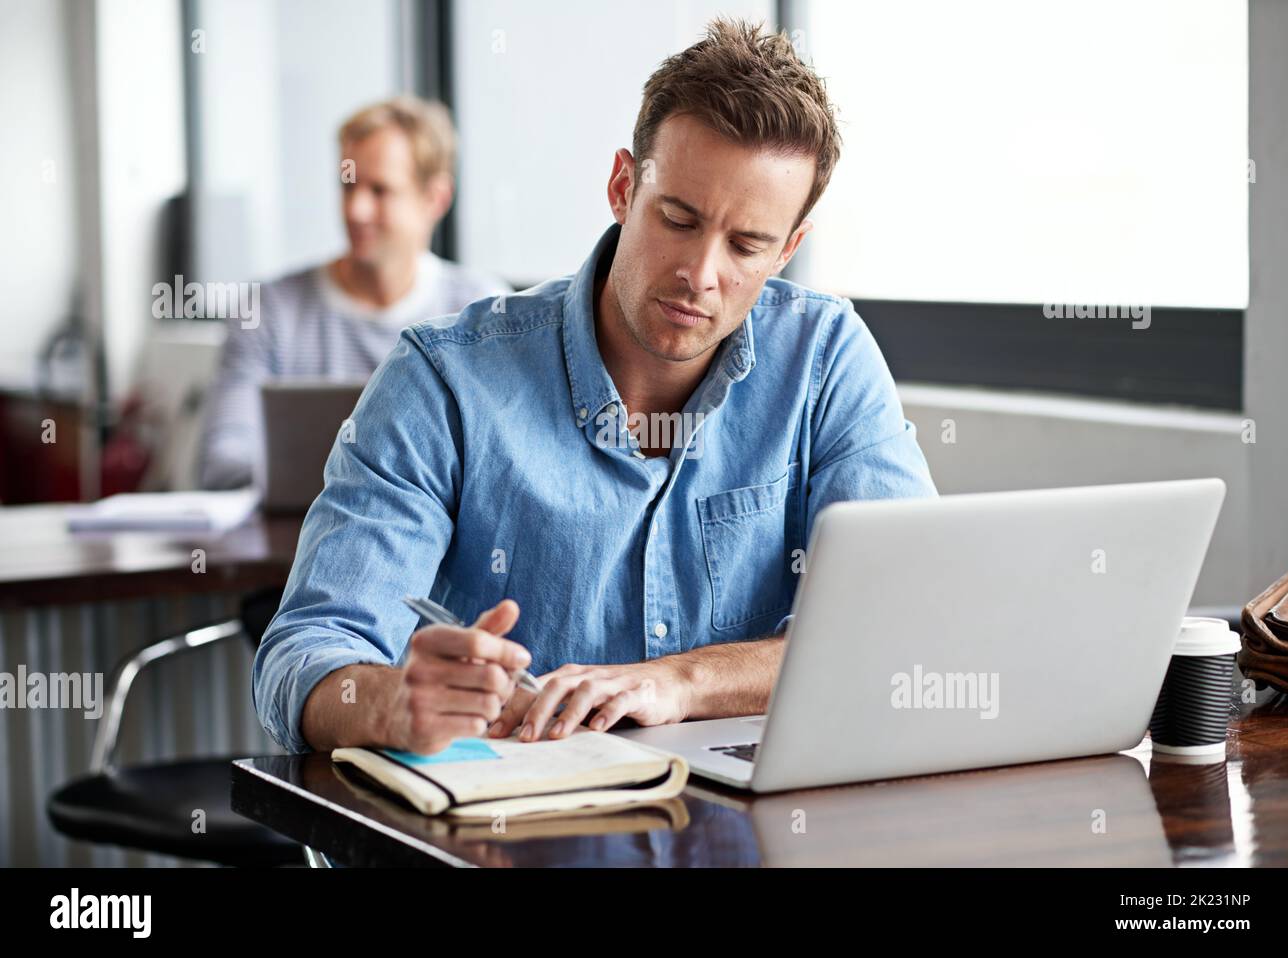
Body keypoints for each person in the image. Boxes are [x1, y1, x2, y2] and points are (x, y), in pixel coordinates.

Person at [254, 18, 937, 755]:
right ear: (623, 187)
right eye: (678, 219)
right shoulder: (442, 380)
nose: (700, 275)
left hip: (749, 810)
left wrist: (682, 682)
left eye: (746, 245)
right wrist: (391, 703)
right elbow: (305, 653)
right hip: (513, 810)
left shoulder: (824, 357)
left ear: (788, 249)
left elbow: (904, 623)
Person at [197, 96, 508, 490]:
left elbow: (503, 459)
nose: (356, 210)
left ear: (435, 198)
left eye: (379, 190)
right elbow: (223, 459)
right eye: (348, 186)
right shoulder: (267, 310)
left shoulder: (480, 311)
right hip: (299, 530)